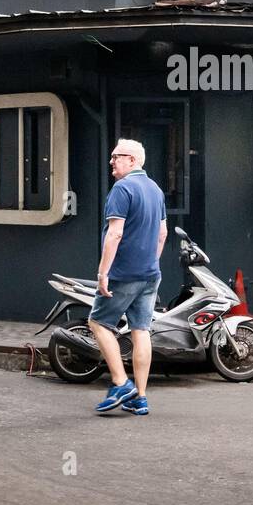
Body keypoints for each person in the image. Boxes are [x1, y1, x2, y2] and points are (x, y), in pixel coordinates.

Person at [90, 139, 167, 416]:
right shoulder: (155, 189)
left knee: (98, 323)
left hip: (123, 273)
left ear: (132, 160)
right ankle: (140, 398)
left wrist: (103, 273)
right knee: (141, 330)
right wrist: (152, 263)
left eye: (116, 157)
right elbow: (162, 234)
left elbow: (115, 233)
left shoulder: (122, 189)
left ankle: (121, 383)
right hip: (150, 273)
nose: (111, 161)